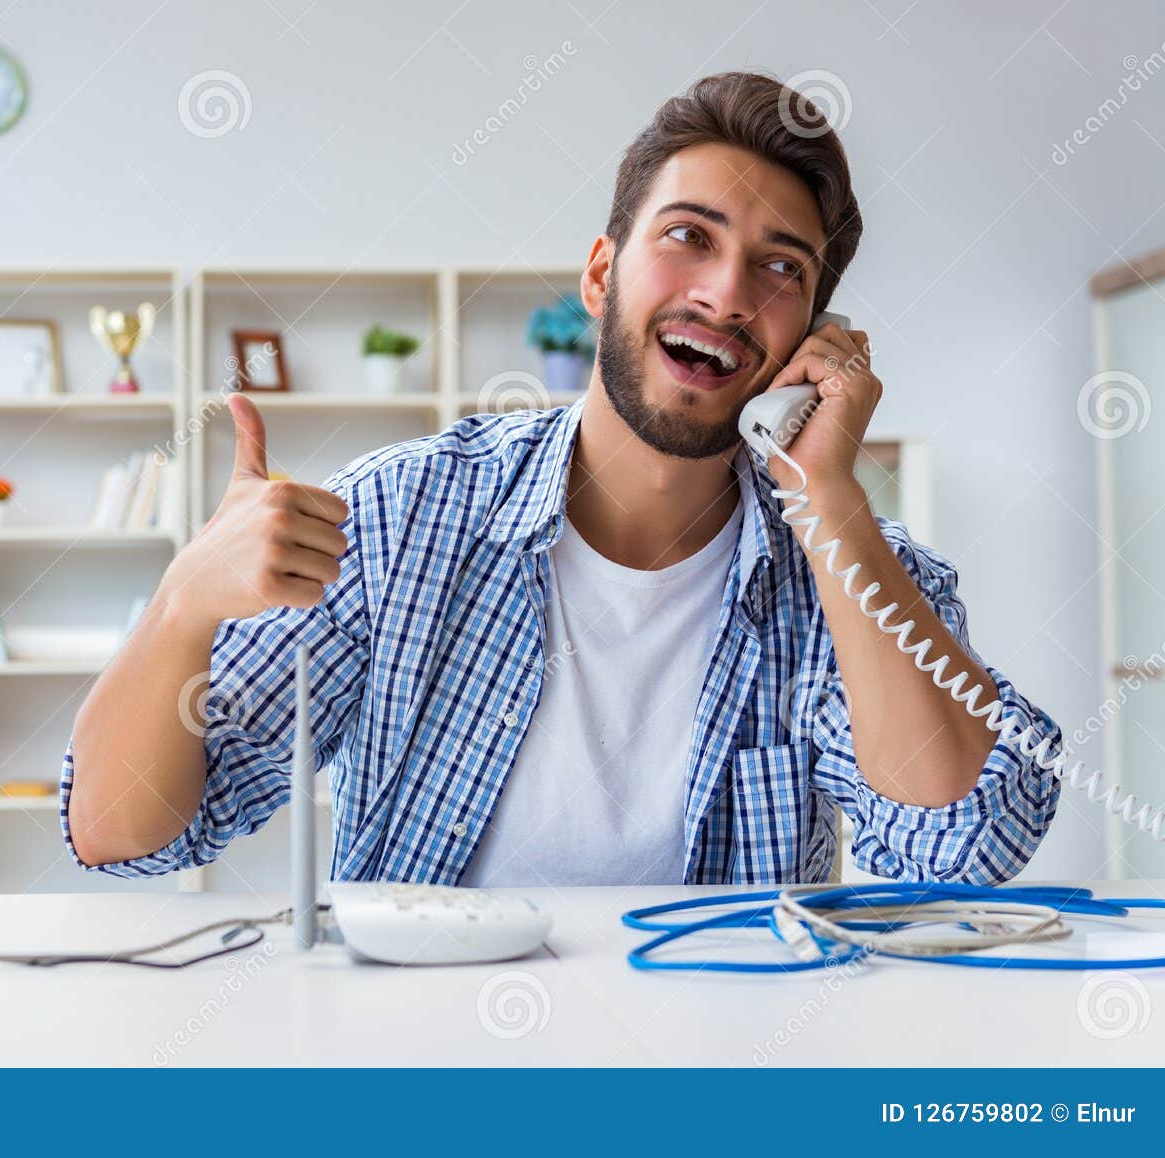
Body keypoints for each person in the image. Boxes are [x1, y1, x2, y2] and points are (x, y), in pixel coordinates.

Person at [59, 71, 1060, 888]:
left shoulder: (848, 578)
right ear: (598, 276)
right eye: (688, 237)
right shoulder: (401, 518)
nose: (724, 293)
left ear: (813, 342)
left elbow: (960, 850)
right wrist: (184, 603)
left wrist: (831, 504)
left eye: (781, 269)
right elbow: (121, 834)